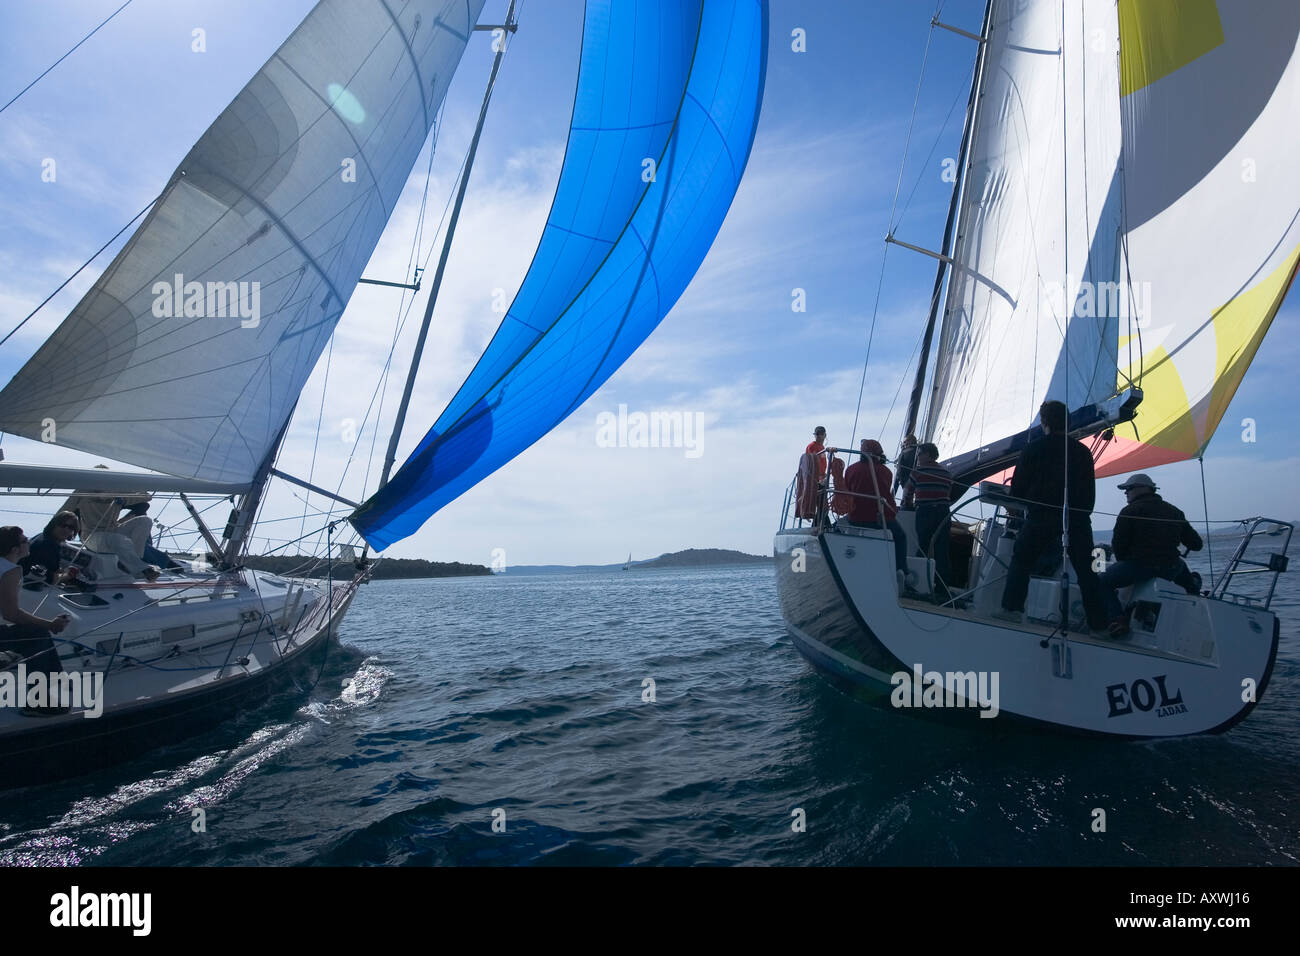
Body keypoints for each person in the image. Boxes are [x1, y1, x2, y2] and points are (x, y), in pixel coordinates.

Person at [995, 400, 1107, 631]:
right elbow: (1089, 492)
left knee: (1022, 559)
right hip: (1077, 517)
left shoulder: (1033, 448)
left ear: (1045, 422)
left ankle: (1012, 610)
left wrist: (1020, 505)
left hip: (1041, 516)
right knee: (1088, 571)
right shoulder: (1082, 452)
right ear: (1068, 421)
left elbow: (1018, 489)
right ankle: (1099, 625)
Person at [1101, 474, 1204, 638]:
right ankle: (1195, 593)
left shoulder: (1130, 511)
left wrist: (1124, 564)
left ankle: (1118, 620)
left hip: (1140, 566)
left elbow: (1119, 546)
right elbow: (1196, 544)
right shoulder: (1174, 511)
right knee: (1181, 568)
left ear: (1142, 488)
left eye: (1128, 489)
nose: (1126, 493)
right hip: (1171, 566)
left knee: (1102, 582)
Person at [0, 527, 72, 716]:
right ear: (15, 549)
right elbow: (11, 614)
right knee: (36, 634)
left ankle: (55, 681)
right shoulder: (10, 571)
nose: (29, 542)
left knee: (30, 632)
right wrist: (49, 624)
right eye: (24, 541)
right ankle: (38, 701)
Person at [842, 439, 909, 585]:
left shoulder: (851, 470)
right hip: (882, 520)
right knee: (901, 536)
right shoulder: (886, 472)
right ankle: (901, 569)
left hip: (856, 517)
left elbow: (846, 491)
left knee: (841, 527)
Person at [904, 442, 954, 601]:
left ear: (928, 455)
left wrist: (908, 503)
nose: (917, 457)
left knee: (923, 547)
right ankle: (942, 588)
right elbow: (948, 493)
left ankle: (918, 584)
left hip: (925, 512)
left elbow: (907, 492)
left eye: (919, 454)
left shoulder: (918, 471)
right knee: (942, 551)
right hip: (943, 513)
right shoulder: (946, 472)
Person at [19, 511, 80, 585]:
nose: (66, 529)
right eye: (62, 525)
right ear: (53, 524)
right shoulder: (48, 546)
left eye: (70, 527)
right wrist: (69, 575)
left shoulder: (41, 536)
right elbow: (52, 579)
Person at [894, 434, 918, 499]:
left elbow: (900, 468)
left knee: (906, 498)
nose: (903, 444)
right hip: (916, 480)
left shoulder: (905, 452)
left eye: (905, 442)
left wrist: (899, 479)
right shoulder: (919, 451)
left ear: (910, 441)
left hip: (906, 480)